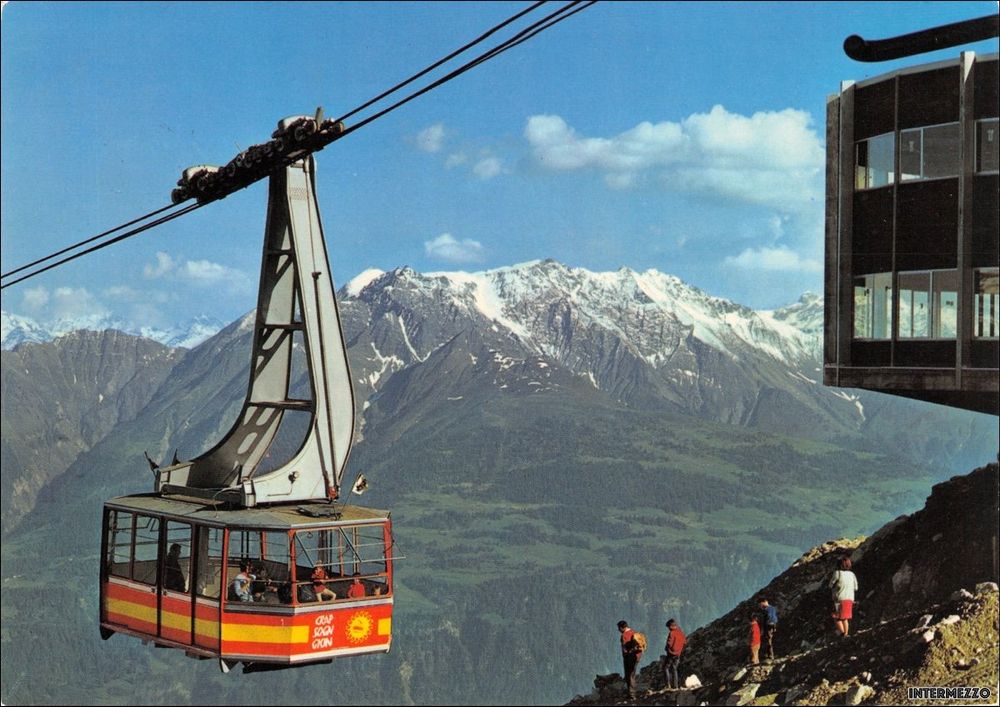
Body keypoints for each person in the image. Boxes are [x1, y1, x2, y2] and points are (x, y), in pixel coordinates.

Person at [829, 555, 859, 637]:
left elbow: (830, 585)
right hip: (850, 599)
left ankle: (842, 634)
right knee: (845, 618)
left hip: (839, 599)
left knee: (836, 617)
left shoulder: (837, 573)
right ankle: (846, 634)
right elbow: (856, 588)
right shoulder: (852, 574)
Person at [617, 620, 643, 699]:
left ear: (622, 628)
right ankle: (632, 692)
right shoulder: (633, 632)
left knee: (629, 675)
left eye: (619, 628)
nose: (618, 630)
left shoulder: (624, 635)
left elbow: (625, 649)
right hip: (636, 657)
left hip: (629, 658)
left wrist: (625, 655)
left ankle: (631, 694)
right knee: (632, 674)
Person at [662, 618, 686, 690]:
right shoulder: (680, 632)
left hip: (671, 654)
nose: (668, 628)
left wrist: (667, 648)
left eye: (669, 627)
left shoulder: (672, 633)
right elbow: (684, 642)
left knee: (665, 668)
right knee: (674, 669)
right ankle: (675, 686)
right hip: (678, 654)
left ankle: (668, 685)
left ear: (671, 626)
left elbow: (669, 643)